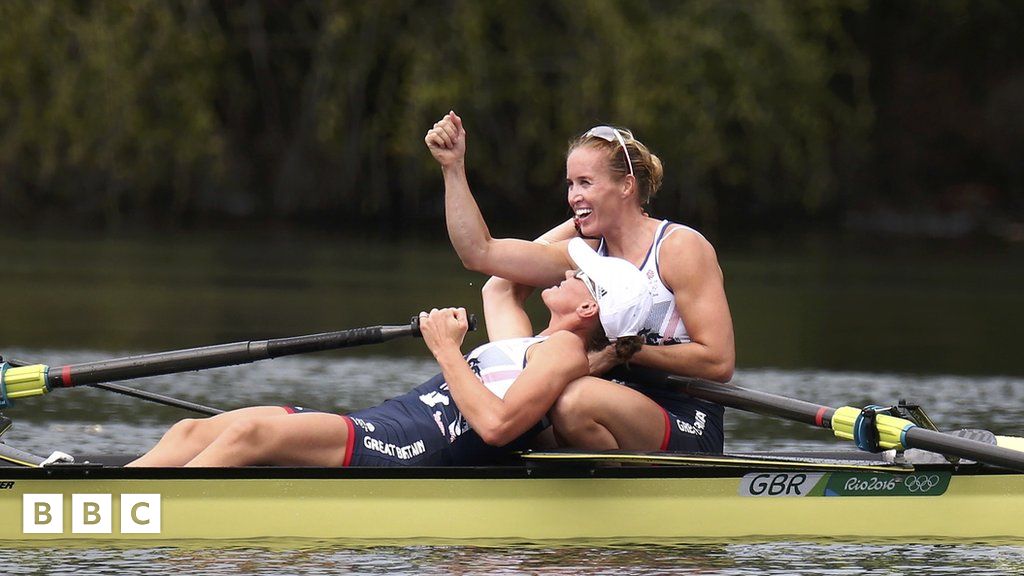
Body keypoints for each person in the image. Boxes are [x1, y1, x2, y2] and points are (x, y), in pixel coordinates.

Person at [126, 240, 652, 467]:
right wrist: (584, 219)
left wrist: (446, 350)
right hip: (383, 424)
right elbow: (498, 283)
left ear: (588, 308)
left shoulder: (562, 353)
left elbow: (496, 427)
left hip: (410, 448)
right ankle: (104, 492)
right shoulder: (535, 341)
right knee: (193, 432)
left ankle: (148, 521)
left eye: (581, 274)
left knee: (250, 434)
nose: (564, 270)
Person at [425, 111, 734, 453]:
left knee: (573, 402)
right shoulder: (583, 255)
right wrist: (453, 168)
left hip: (684, 414)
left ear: (626, 186)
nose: (573, 195)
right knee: (513, 414)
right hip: (602, 402)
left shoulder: (680, 248)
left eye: (585, 183)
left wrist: (622, 353)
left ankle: (620, 498)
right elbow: (480, 253)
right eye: (570, 185)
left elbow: (718, 362)